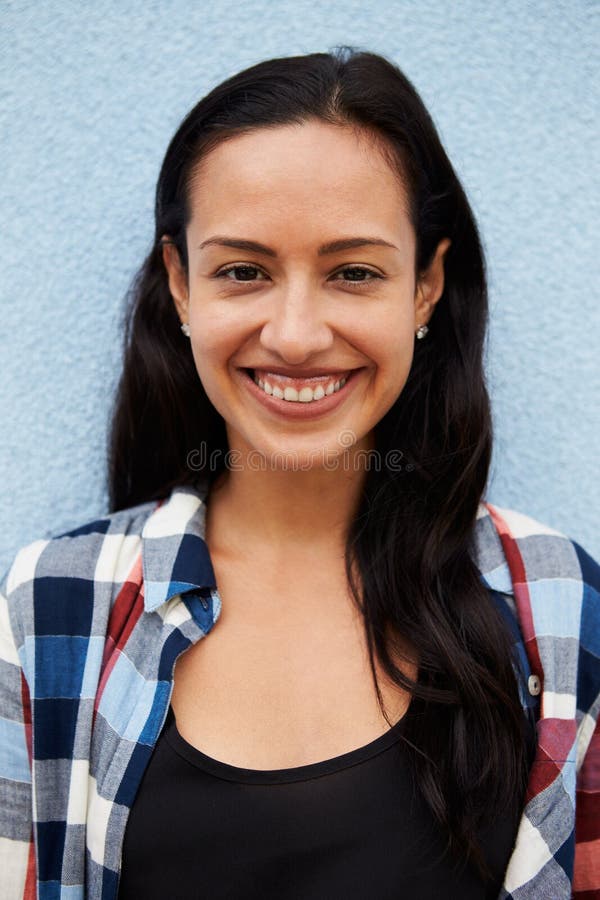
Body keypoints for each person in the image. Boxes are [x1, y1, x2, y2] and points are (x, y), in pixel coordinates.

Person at [0, 48, 598, 900]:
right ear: (180, 283)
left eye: (353, 271)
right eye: (244, 270)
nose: (294, 333)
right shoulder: (51, 608)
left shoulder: (561, 609)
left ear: (427, 285)